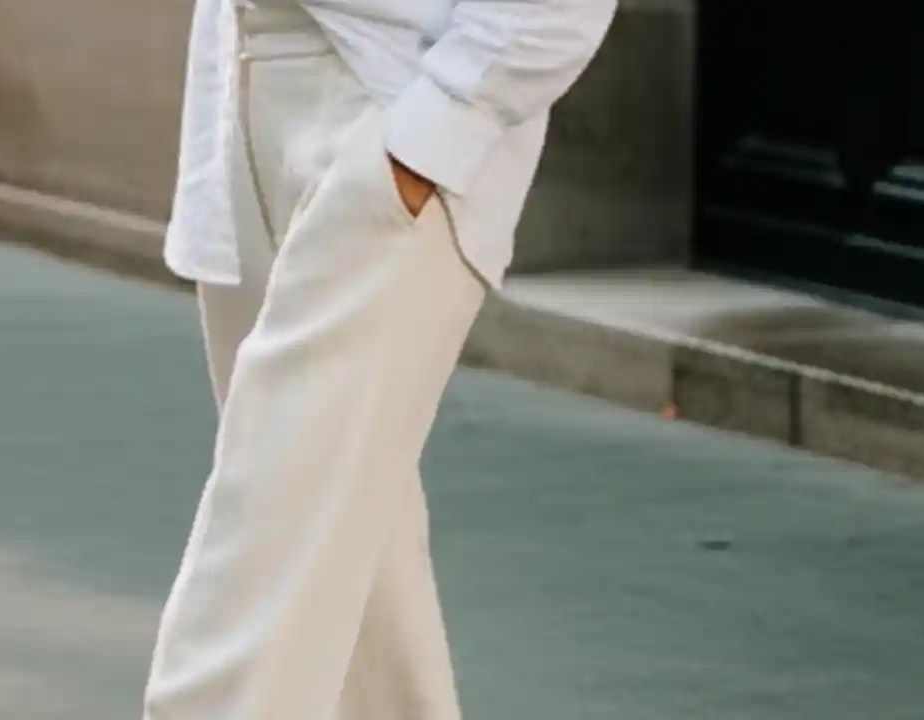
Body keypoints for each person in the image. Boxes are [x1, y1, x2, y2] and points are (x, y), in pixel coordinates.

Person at [143, 1, 618, 718]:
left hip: (388, 99)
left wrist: (442, 126)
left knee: (265, 548)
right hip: (241, 84)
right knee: (351, 568)